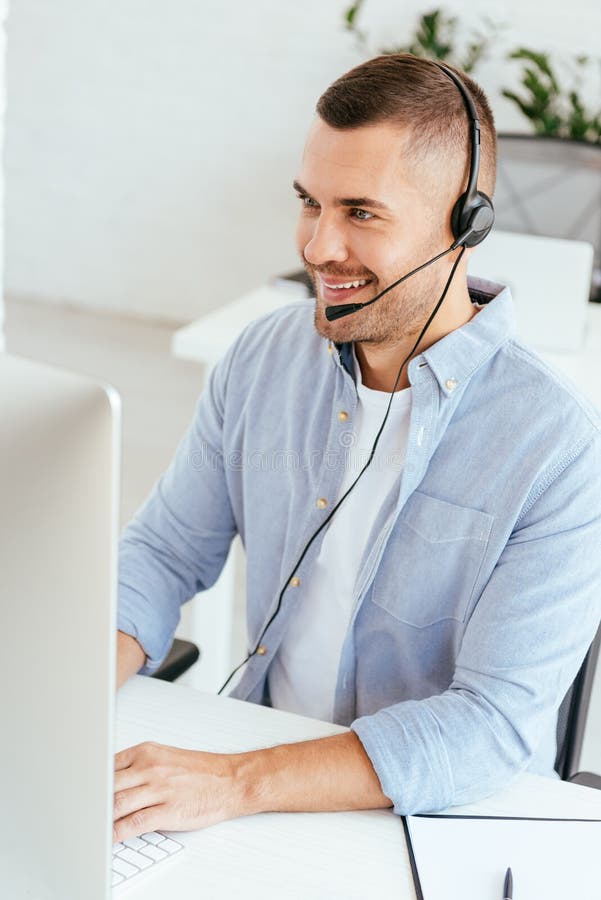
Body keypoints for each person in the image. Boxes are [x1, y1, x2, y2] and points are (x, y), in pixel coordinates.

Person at [113, 54, 601, 842]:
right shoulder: (261, 360)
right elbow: (167, 552)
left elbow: (492, 726)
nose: (316, 246)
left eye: (360, 213)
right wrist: (63, 697)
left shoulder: (557, 449)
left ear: (464, 223)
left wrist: (236, 782)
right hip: (256, 776)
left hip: (430, 823)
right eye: (309, 203)